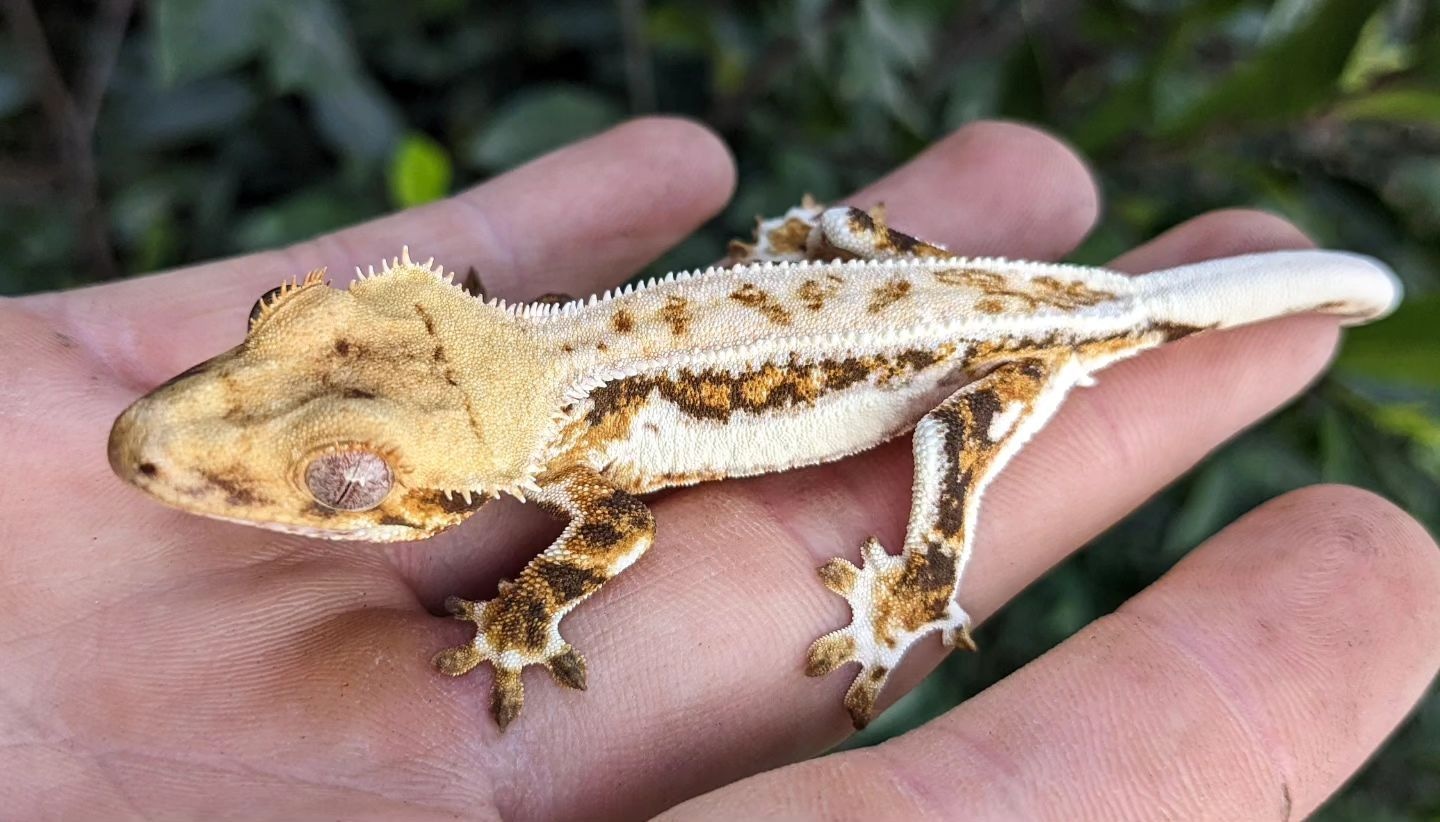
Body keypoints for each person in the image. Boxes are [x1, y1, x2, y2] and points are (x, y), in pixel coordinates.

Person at [2, 118, 1436, 820]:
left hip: (980, 343)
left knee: (960, 432)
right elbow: (599, 508)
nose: (191, 445)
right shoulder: (543, 398)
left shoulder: (571, 442)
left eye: (337, 482)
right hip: (913, 295)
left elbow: (611, 526)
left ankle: (927, 584)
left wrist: (525, 605)